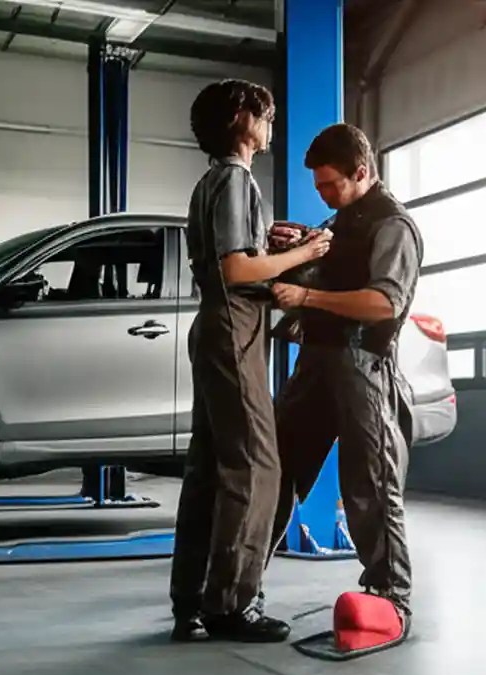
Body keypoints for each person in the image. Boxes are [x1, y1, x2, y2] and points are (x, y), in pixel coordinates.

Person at [168, 80, 331, 643]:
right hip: (233, 329)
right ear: (242, 118)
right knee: (259, 467)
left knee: (210, 469)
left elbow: (233, 258)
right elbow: (236, 271)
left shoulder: (210, 182)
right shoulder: (236, 179)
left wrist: (269, 242)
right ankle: (233, 605)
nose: (271, 126)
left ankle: (189, 601)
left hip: (216, 328)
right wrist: (303, 253)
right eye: (266, 116)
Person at [269, 123, 423, 623]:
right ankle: (238, 586)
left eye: (331, 185)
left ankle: (390, 598)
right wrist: (296, 248)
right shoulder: (342, 220)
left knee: (369, 486)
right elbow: (331, 270)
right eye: (319, 188)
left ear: (362, 172)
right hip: (317, 362)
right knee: (276, 468)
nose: (325, 195)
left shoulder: (392, 226)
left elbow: (383, 303)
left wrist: (308, 296)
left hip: (363, 367)